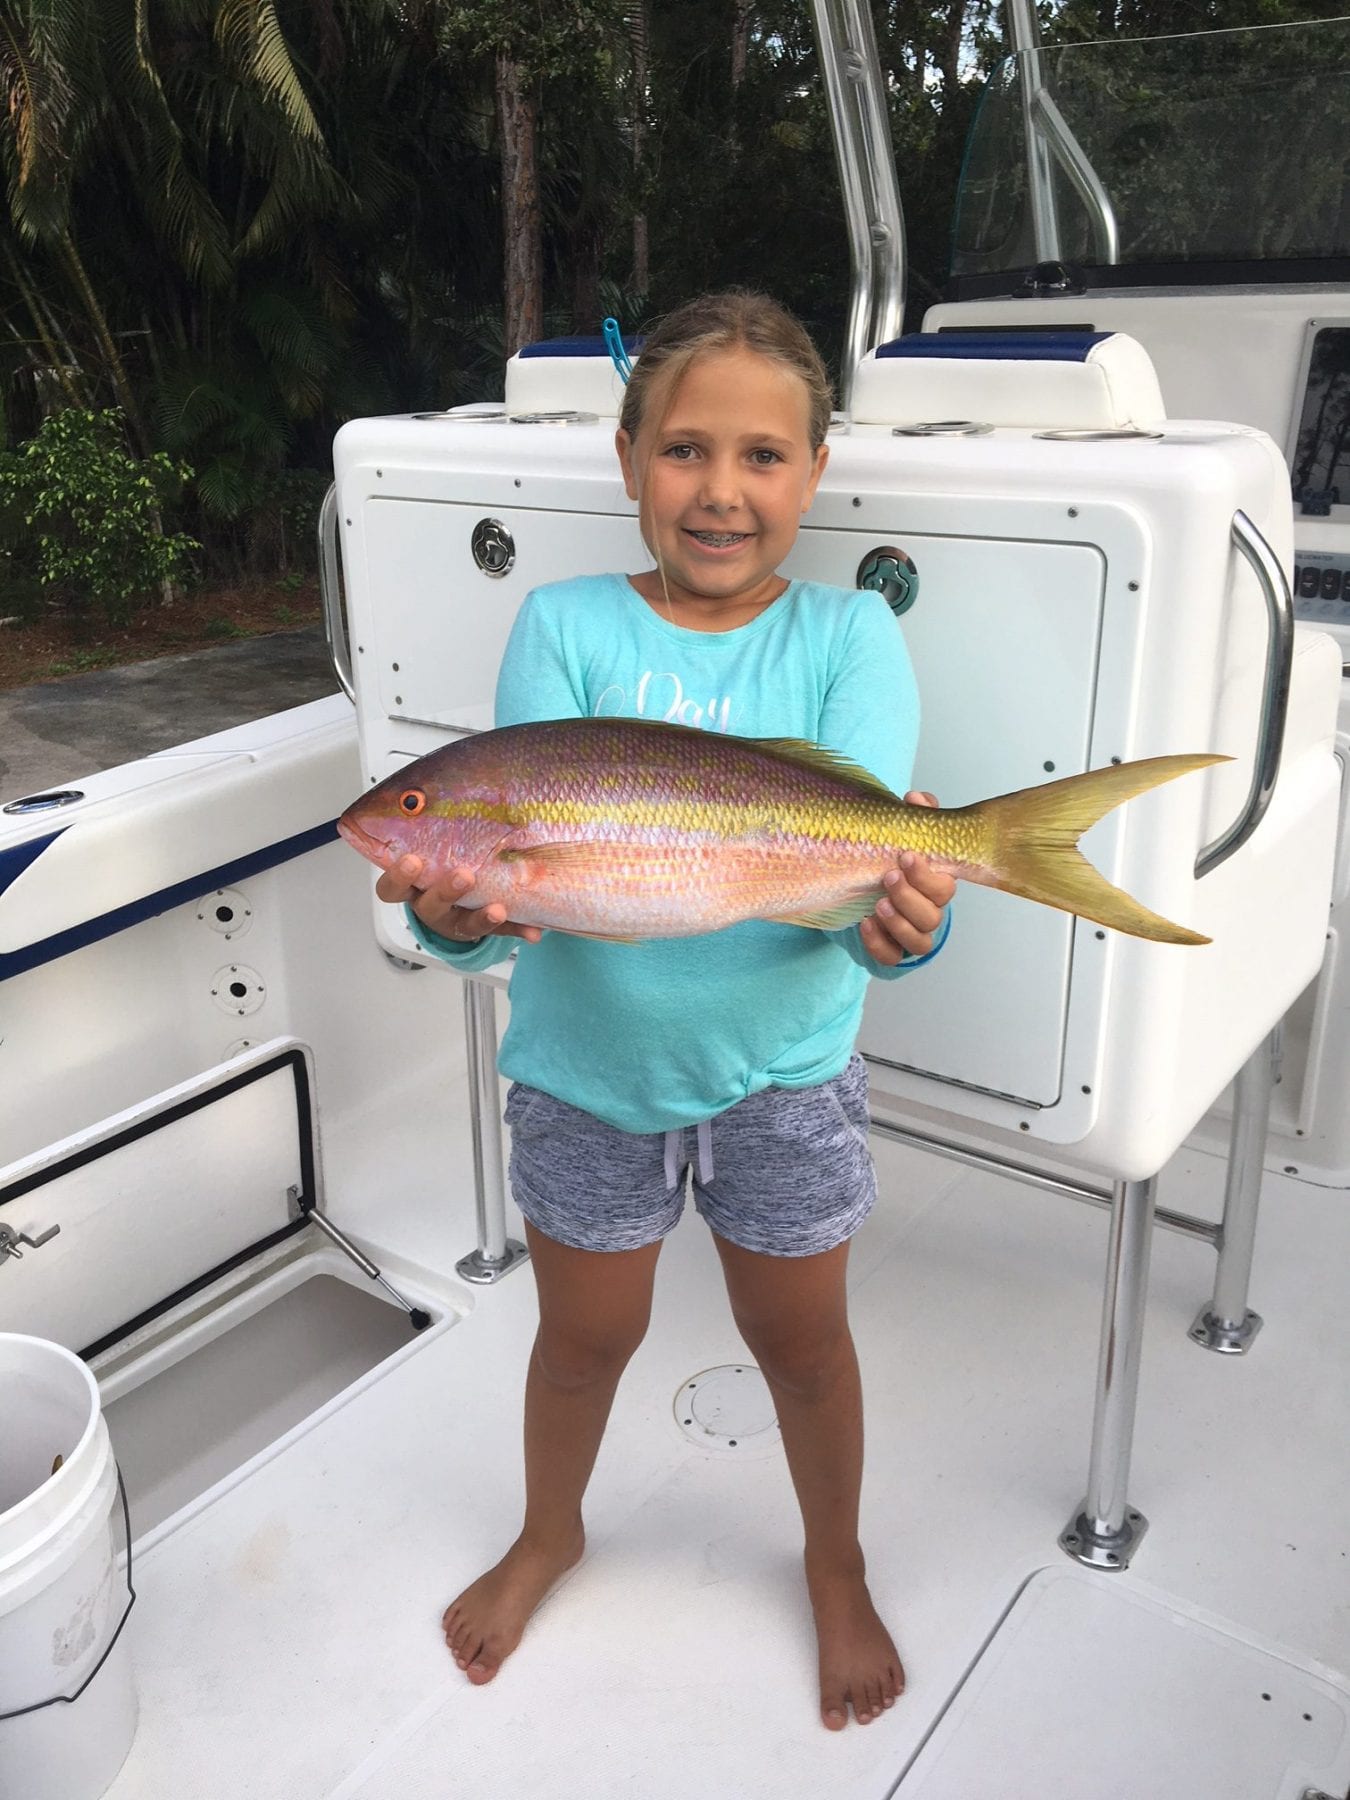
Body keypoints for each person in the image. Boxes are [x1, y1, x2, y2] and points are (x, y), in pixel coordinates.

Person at [375, 291, 955, 1730]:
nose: (720, 489)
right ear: (628, 459)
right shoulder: (557, 625)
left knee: (805, 1346)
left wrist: (900, 926)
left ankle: (832, 1561)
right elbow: (493, 895)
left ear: (813, 475)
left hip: (787, 1073)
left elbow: (853, 901)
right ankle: (550, 1528)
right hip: (584, 1075)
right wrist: (440, 914)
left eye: (763, 457)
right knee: (578, 1342)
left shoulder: (850, 639)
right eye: (686, 449)